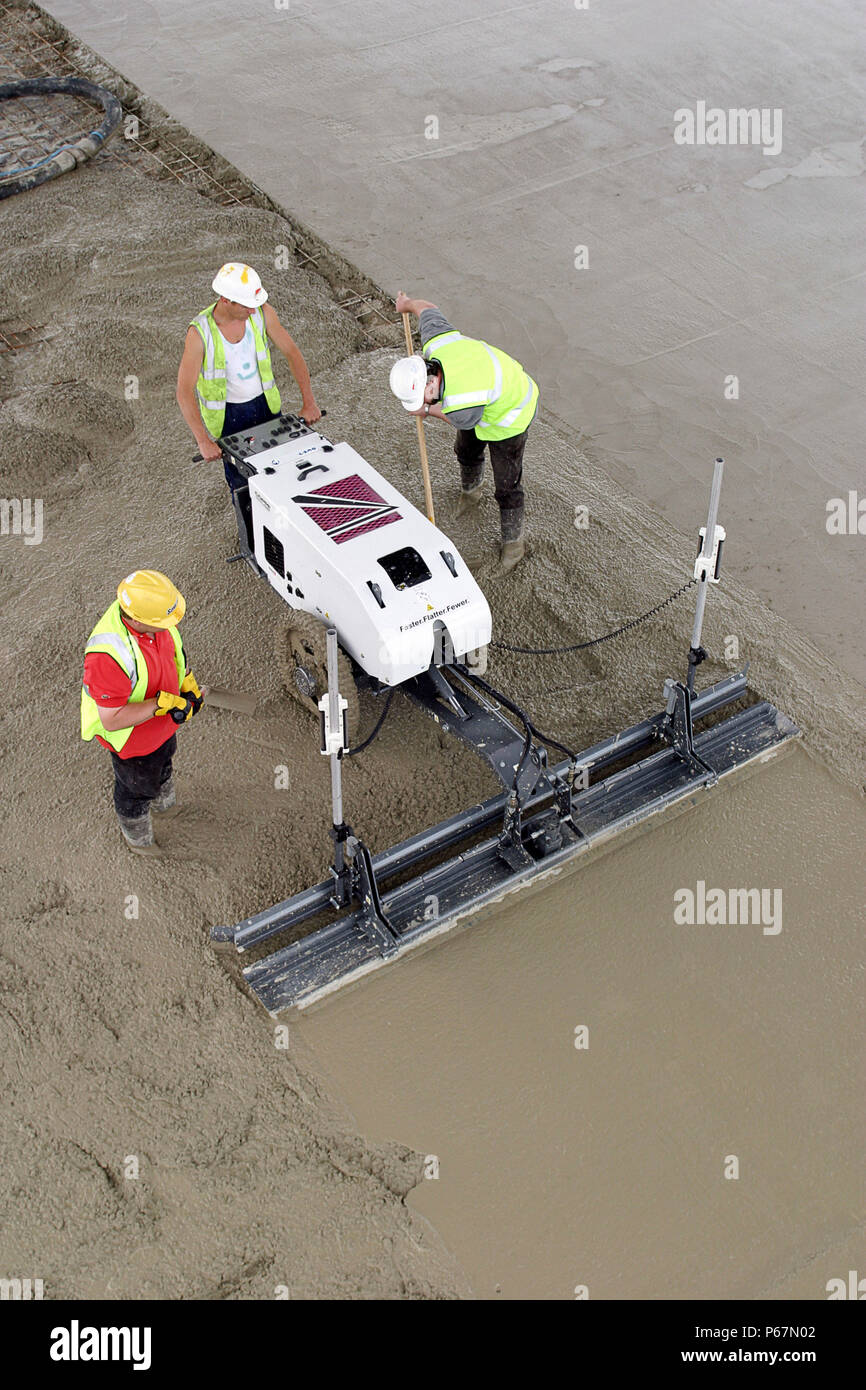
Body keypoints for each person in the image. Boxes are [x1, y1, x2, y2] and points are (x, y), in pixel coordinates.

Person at [390, 292, 539, 572]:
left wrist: (425, 412)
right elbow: (428, 308)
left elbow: (460, 420)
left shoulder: (460, 405)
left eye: (424, 397)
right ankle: (471, 493)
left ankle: (514, 545)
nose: (424, 402)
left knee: (507, 486)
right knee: (466, 450)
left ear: (430, 381)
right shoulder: (436, 342)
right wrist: (407, 304)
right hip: (491, 390)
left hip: (513, 410)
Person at [176, 261, 322, 503]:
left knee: (283, 467)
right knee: (244, 485)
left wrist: (309, 402)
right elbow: (184, 391)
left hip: (265, 405)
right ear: (226, 300)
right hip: (228, 416)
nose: (253, 311)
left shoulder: (262, 313)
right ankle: (252, 535)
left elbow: (292, 353)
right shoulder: (199, 333)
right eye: (246, 305)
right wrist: (203, 440)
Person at [81, 570, 204, 855]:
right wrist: (161, 704)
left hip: (161, 729)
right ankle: (139, 839)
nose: (169, 626)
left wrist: (187, 681)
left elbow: (174, 654)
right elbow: (111, 719)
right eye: (161, 623)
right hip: (132, 743)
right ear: (136, 619)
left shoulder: (158, 619)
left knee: (164, 764)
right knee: (135, 791)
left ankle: (165, 805)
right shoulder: (107, 655)